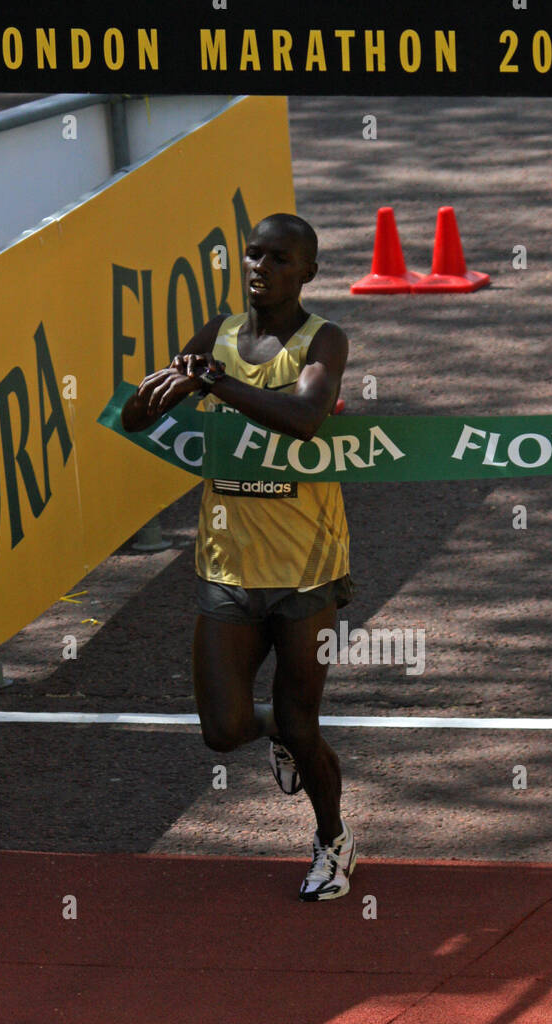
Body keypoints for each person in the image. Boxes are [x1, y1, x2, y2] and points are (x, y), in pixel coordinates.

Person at [121, 213, 356, 901]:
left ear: (307, 271)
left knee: (302, 720)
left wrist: (216, 385)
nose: (260, 267)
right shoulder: (216, 335)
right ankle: (278, 735)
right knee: (223, 731)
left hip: (307, 567)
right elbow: (139, 418)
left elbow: (306, 417)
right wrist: (164, 385)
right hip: (227, 564)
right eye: (253, 254)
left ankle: (333, 841)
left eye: (279, 258)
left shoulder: (322, 339)